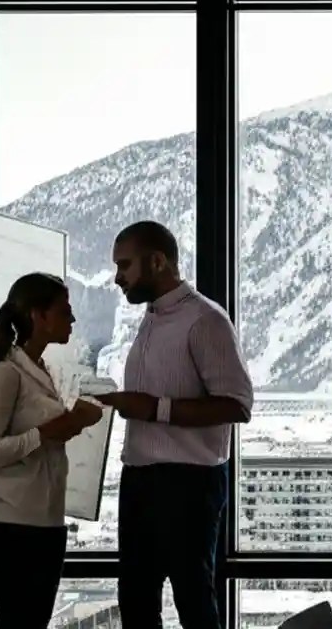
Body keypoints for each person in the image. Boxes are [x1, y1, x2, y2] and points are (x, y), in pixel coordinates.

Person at [95, 221, 254, 629]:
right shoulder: (150, 318)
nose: (117, 278)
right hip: (140, 481)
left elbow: (238, 405)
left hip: (189, 485)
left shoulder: (205, 320)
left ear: (158, 261)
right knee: (135, 603)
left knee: (194, 603)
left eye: (125, 265)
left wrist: (154, 409)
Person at [0, 272, 103, 629]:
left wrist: (73, 423)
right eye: (64, 312)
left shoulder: (41, 371)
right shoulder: (6, 372)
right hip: (13, 521)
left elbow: (48, 437)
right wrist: (48, 431)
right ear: (37, 316)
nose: (73, 320)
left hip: (43, 519)